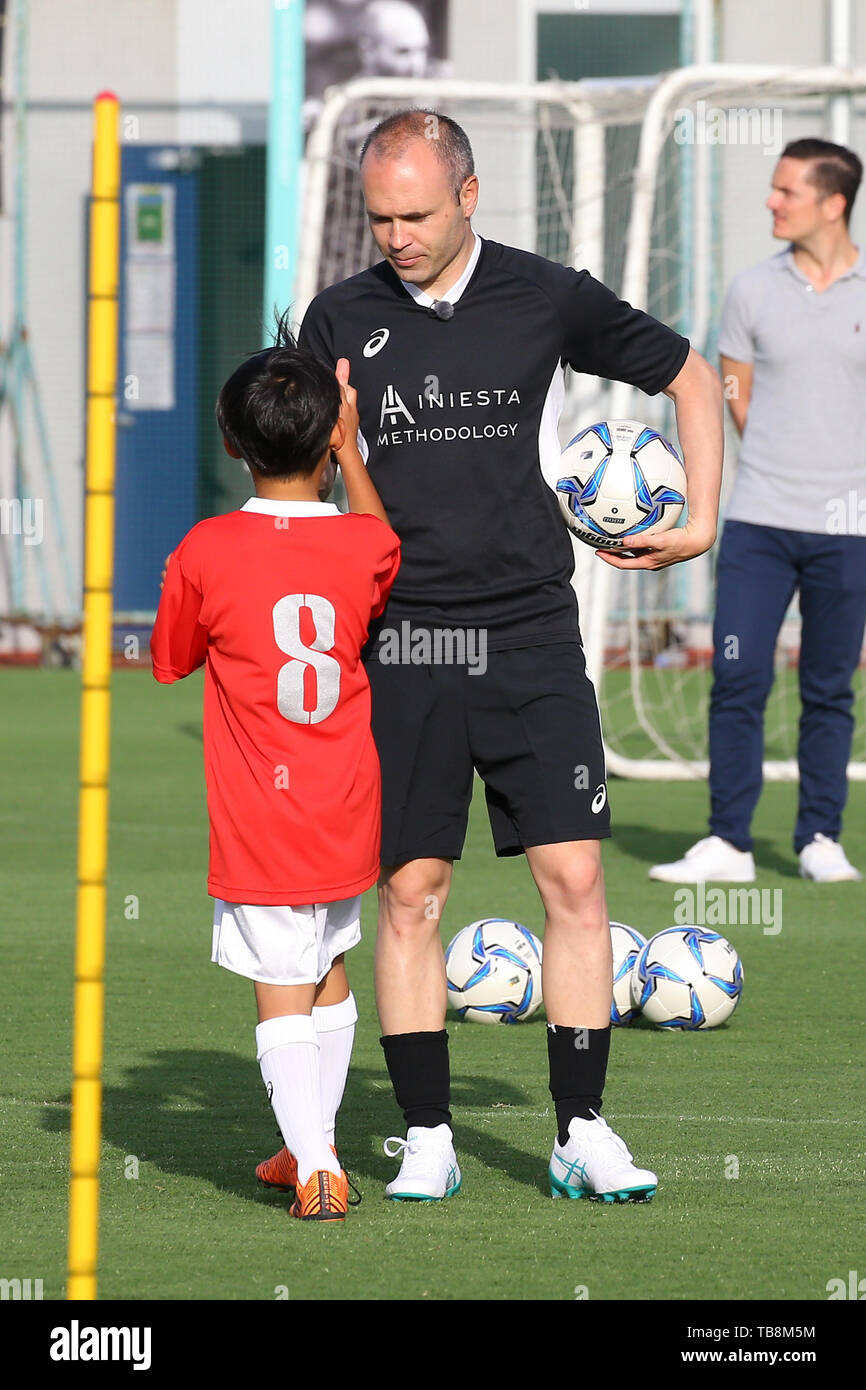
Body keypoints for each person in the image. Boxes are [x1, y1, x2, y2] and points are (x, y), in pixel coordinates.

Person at [277, 108, 722, 1204]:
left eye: (417, 215)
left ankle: (580, 1129)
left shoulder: (545, 294)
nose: (396, 236)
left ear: (468, 196)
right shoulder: (338, 315)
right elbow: (289, 469)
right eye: (379, 217)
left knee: (572, 878)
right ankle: (425, 1135)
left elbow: (694, 381)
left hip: (530, 628)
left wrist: (701, 516)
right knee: (412, 888)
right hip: (403, 637)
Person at [151, 317, 400, 1222]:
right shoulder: (362, 546)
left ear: (230, 443)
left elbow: (171, 657)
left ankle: (319, 1165)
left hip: (264, 815)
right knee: (329, 964)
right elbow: (378, 533)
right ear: (332, 436)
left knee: (282, 989)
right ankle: (309, 1143)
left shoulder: (207, 549)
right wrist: (355, 441)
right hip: (345, 801)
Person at [650, 138, 866, 887]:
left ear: (833, 203)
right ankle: (729, 843)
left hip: (850, 531)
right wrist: (786, 463)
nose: (771, 202)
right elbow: (732, 393)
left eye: (786, 192)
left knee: (829, 686)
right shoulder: (750, 290)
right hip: (758, 523)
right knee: (738, 679)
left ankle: (820, 838)